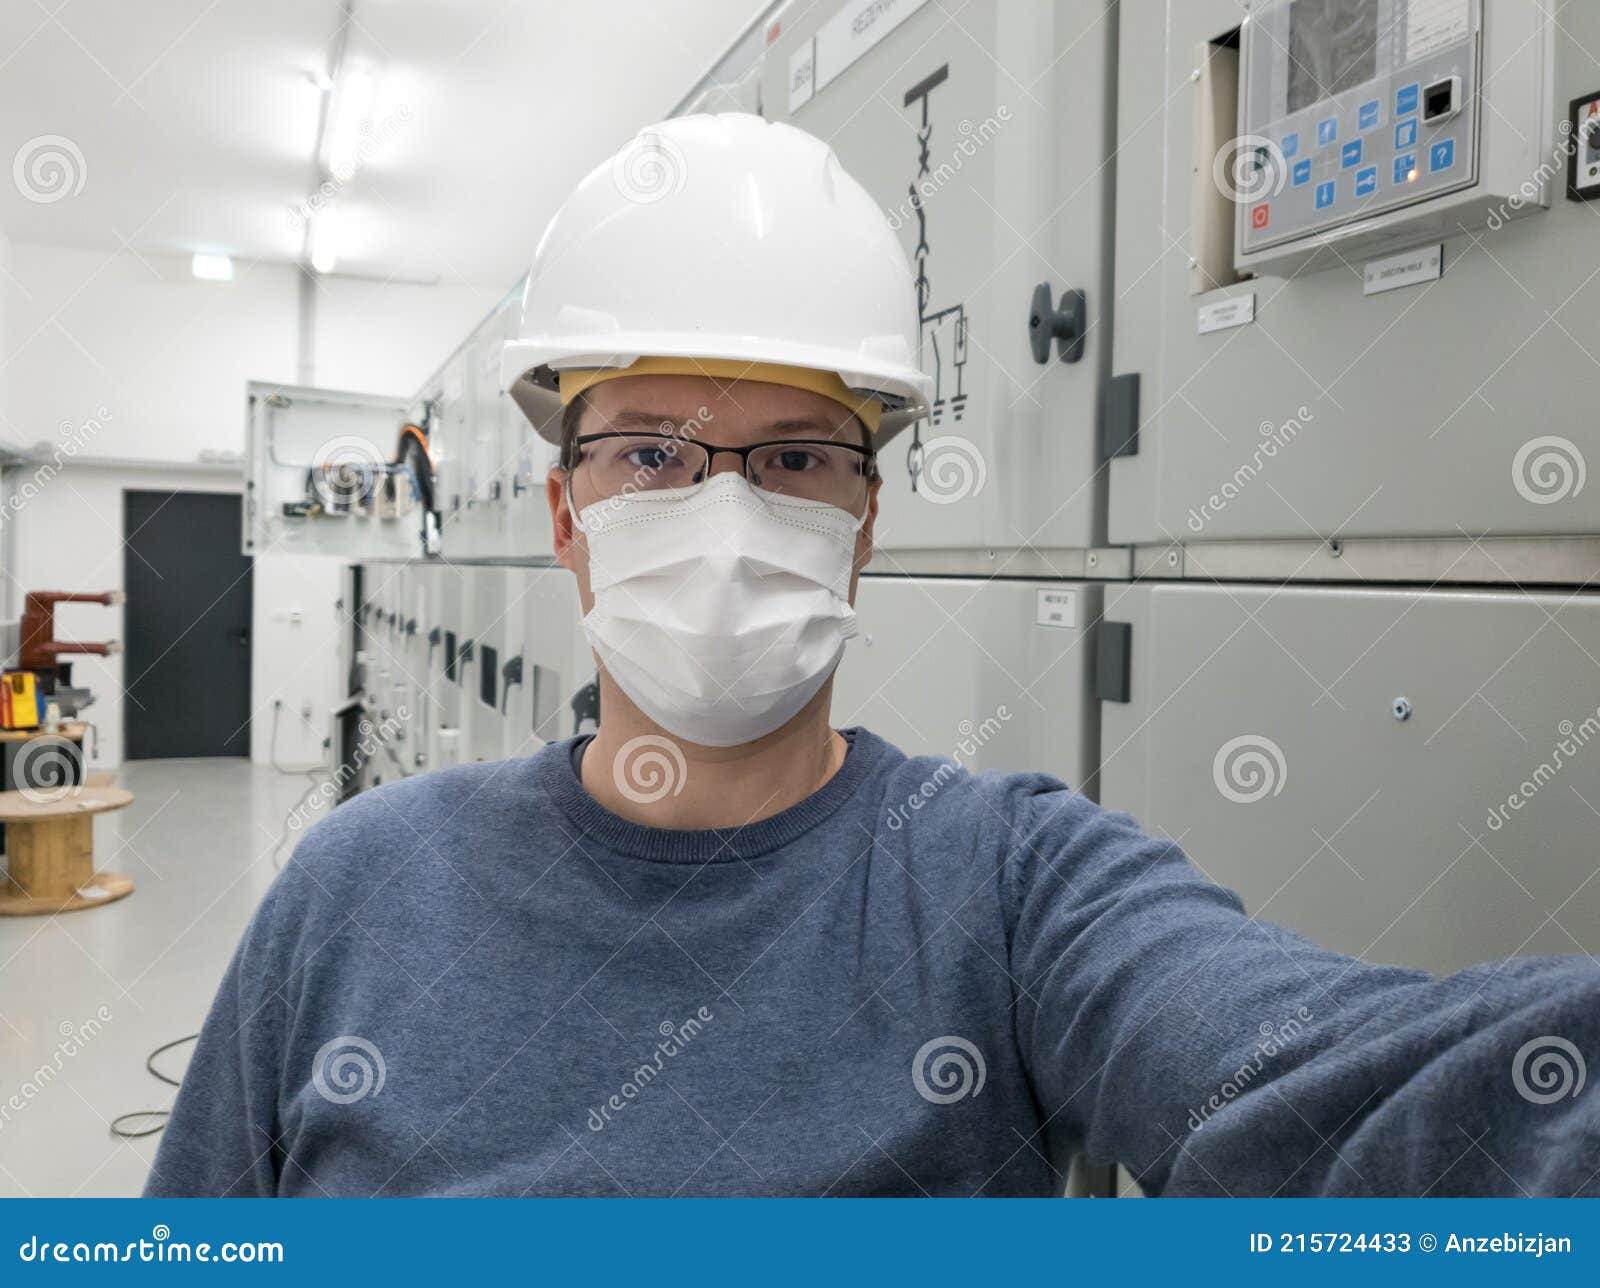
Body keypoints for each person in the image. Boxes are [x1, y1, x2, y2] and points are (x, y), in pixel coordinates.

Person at [147, 114, 1598, 1198]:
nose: (723, 512)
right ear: (564, 515)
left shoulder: (1013, 887)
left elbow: (1334, 1087)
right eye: (650, 454)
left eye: (790, 457)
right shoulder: (360, 886)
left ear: (864, 517)